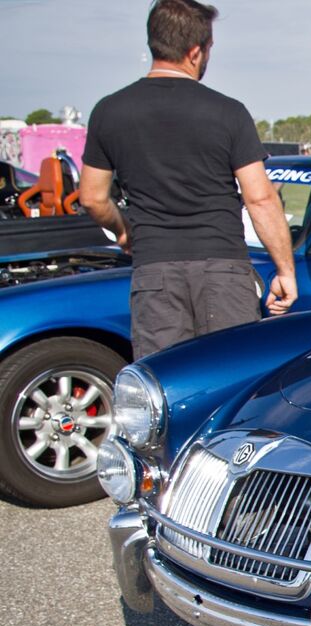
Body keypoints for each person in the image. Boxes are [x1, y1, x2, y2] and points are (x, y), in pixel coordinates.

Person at [78, 0, 297, 360]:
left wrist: (124, 230)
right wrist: (285, 270)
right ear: (195, 52)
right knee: (233, 377)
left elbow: (92, 197)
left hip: (155, 270)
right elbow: (260, 199)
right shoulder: (228, 112)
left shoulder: (109, 111)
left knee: (168, 383)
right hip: (224, 269)